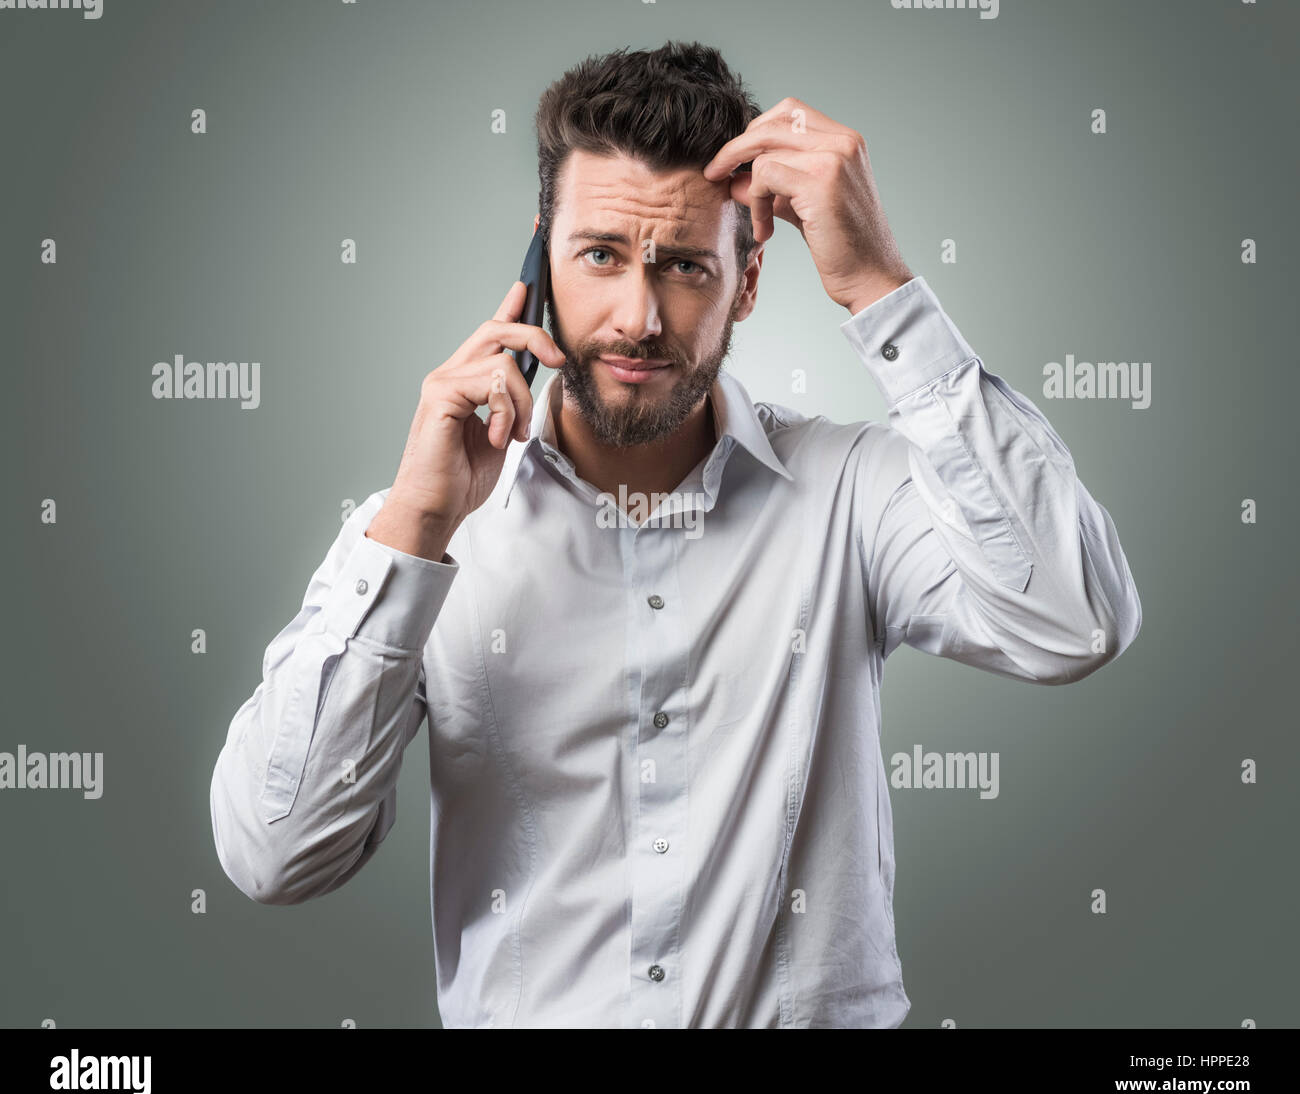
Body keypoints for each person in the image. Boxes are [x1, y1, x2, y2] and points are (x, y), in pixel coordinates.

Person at [209, 41, 1142, 1028]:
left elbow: (1072, 622)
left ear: (745, 284)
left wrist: (880, 286)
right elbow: (275, 857)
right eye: (600, 255)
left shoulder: (851, 491)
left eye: (687, 266)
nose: (639, 317)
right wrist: (416, 528)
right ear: (539, 264)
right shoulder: (418, 532)